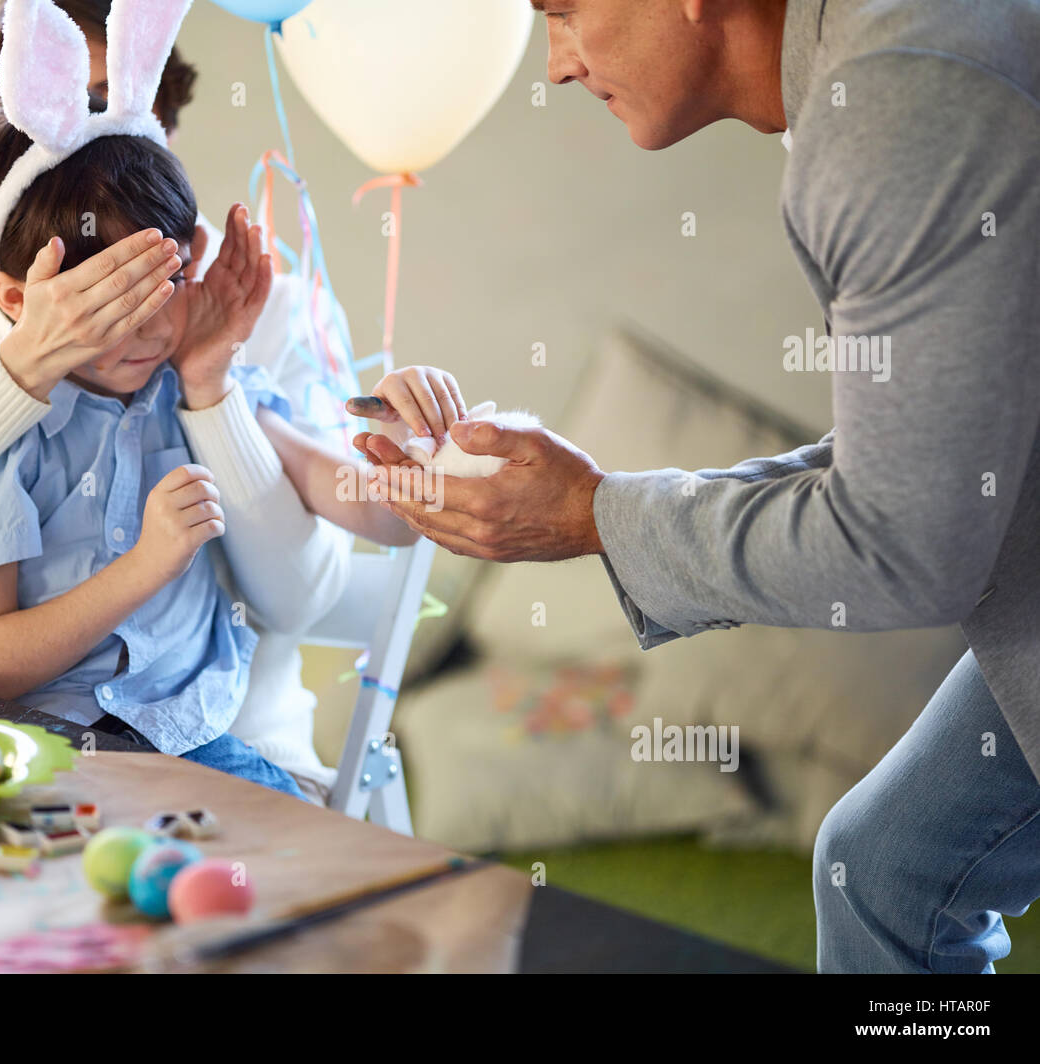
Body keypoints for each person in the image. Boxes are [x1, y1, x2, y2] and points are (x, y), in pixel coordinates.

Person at [355, 0, 1040, 973]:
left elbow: (902, 539)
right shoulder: (869, 67)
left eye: (561, 13)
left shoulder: (890, 104)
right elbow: (926, 453)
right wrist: (606, 505)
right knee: (886, 869)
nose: (553, 66)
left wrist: (595, 514)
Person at [0, 0, 410, 802]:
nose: (87, 133)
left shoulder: (239, 310)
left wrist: (213, 387)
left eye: (113, 103)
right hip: (40, 754)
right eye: (54, 111)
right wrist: (21, 369)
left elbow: (314, 580)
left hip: (232, 748)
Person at [0, 96, 312, 796]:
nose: (145, 332)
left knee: (307, 858)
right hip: (32, 744)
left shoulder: (185, 378)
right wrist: (146, 566)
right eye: (110, 302)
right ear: (19, 300)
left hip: (187, 740)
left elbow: (349, 496)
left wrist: (418, 446)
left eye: (164, 286)